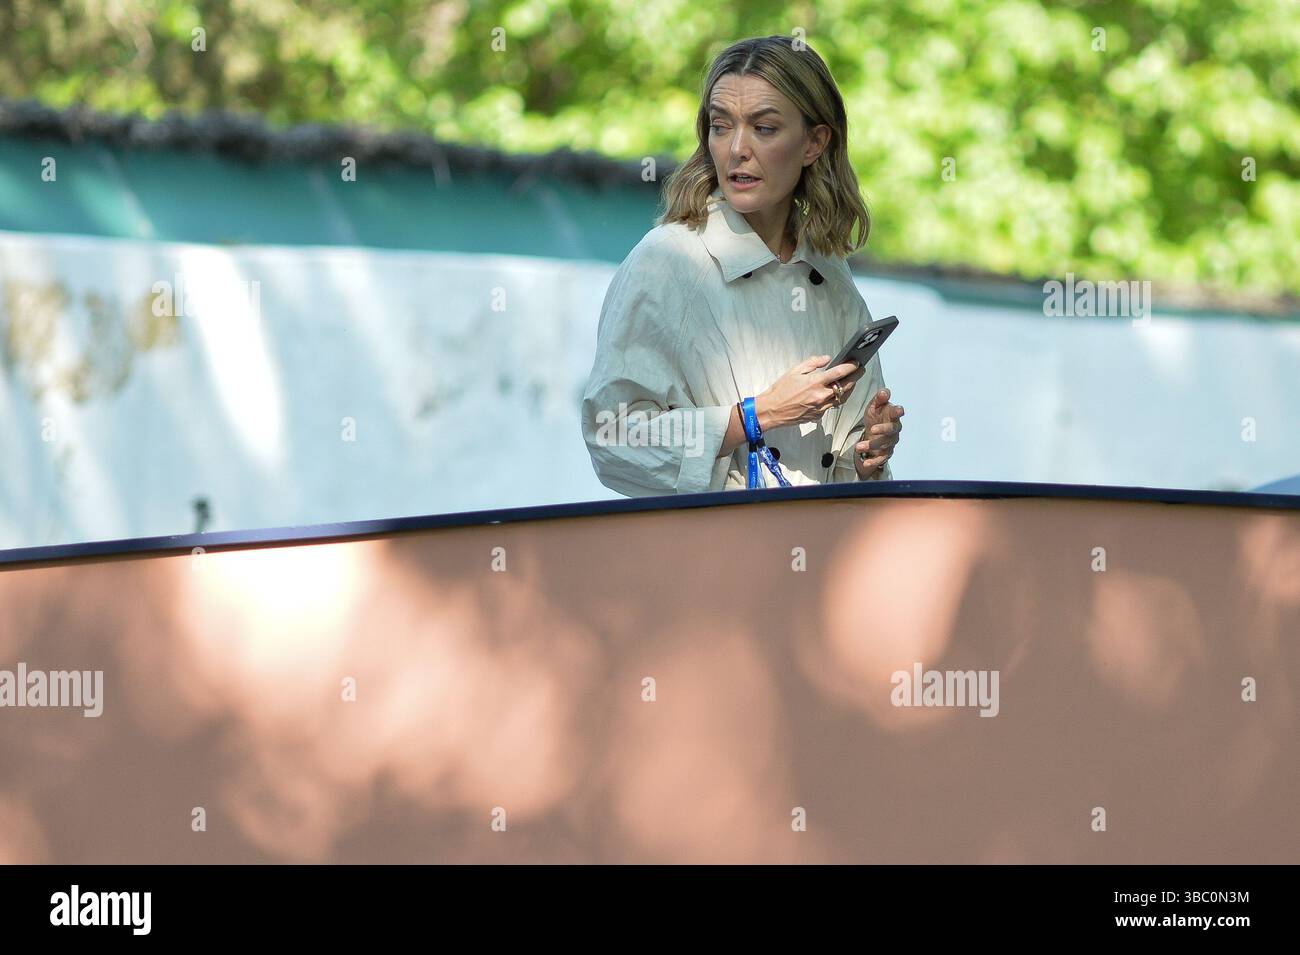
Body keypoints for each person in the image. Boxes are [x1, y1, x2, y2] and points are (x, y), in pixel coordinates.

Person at [581, 35, 904, 496]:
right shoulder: (668, 260)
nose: (736, 149)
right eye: (721, 125)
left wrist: (866, 457)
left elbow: (832, 474)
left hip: (815, 554)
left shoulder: (831, 273)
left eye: (764, 128)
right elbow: (612, 439)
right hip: (712, 557)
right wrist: (758, 415)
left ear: (814, 142)